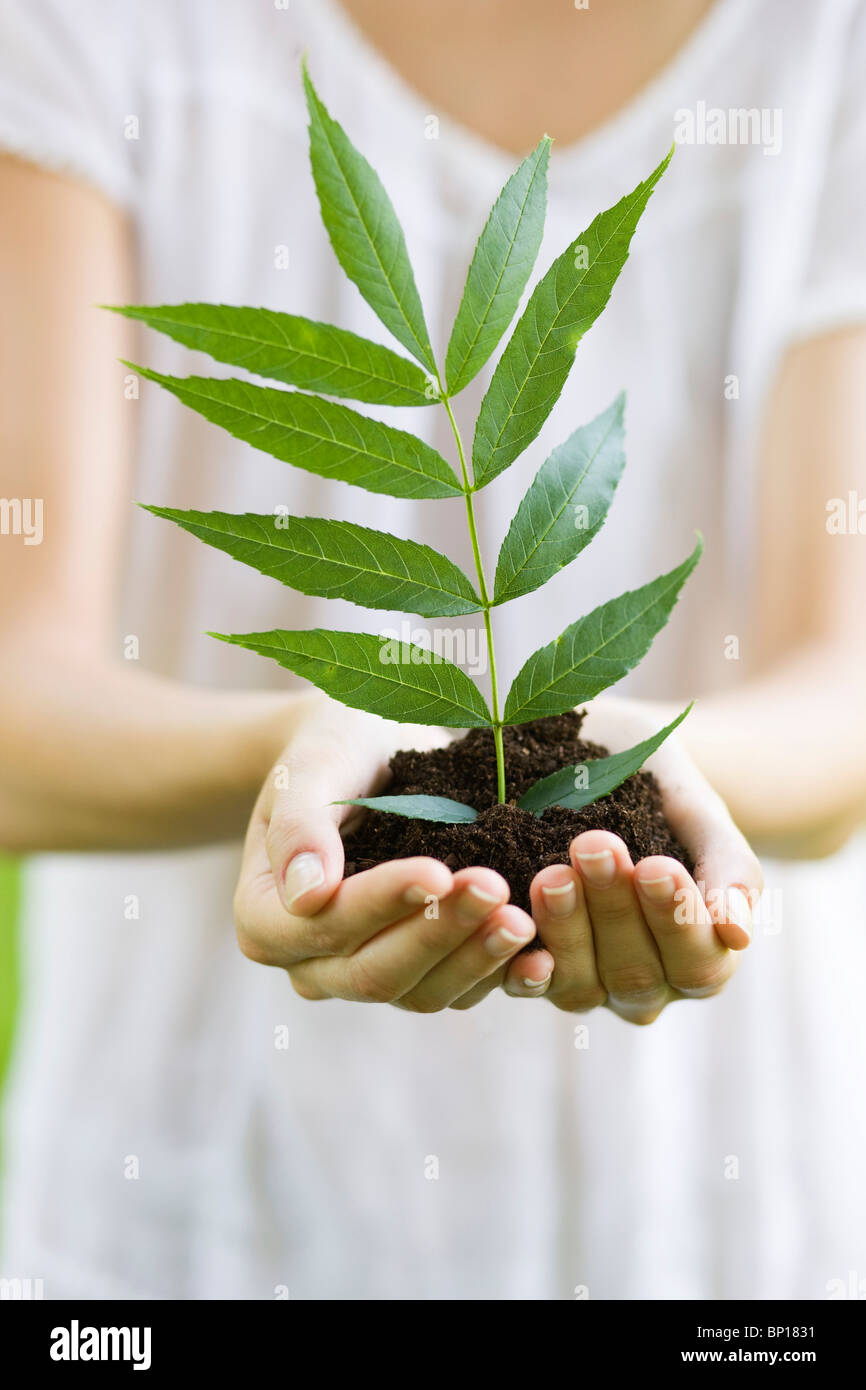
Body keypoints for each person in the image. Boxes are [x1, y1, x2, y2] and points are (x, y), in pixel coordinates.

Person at [0, 0, 864, 1299]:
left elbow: (842, 684)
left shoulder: (823, 44)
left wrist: (661, 769)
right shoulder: (88, 28)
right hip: (198, 1218)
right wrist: (300, 746)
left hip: (707, 1221)